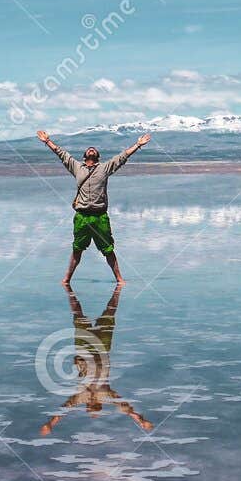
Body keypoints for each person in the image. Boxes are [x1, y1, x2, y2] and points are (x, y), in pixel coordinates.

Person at [37, 129, 150, 286]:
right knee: (77, 249)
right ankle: (66, 279)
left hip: (99, 216)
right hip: (82, 216)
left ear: (97, 156)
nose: (91, 149)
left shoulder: (104, 168)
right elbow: (61, 153)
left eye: (94, 149)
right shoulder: (77, 167)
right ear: (84, 156)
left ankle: (119, 279)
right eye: (89, 149)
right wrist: (47, 141)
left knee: (108, 249)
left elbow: (122, 157)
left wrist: (138, 145)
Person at [40, 286, 152, 435]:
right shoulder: (104, 395)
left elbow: (65, 408)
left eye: (89, 406)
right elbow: (124, 406)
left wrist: (51, 423)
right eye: (94, 406)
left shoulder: (82, 397)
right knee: (108, 315)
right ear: (99, 404)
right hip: (100, 351)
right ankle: (117, 288)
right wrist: (139, 419)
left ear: (87, 404)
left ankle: (71, 288)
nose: (91, 404)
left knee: (79, 316)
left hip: (86, 351)